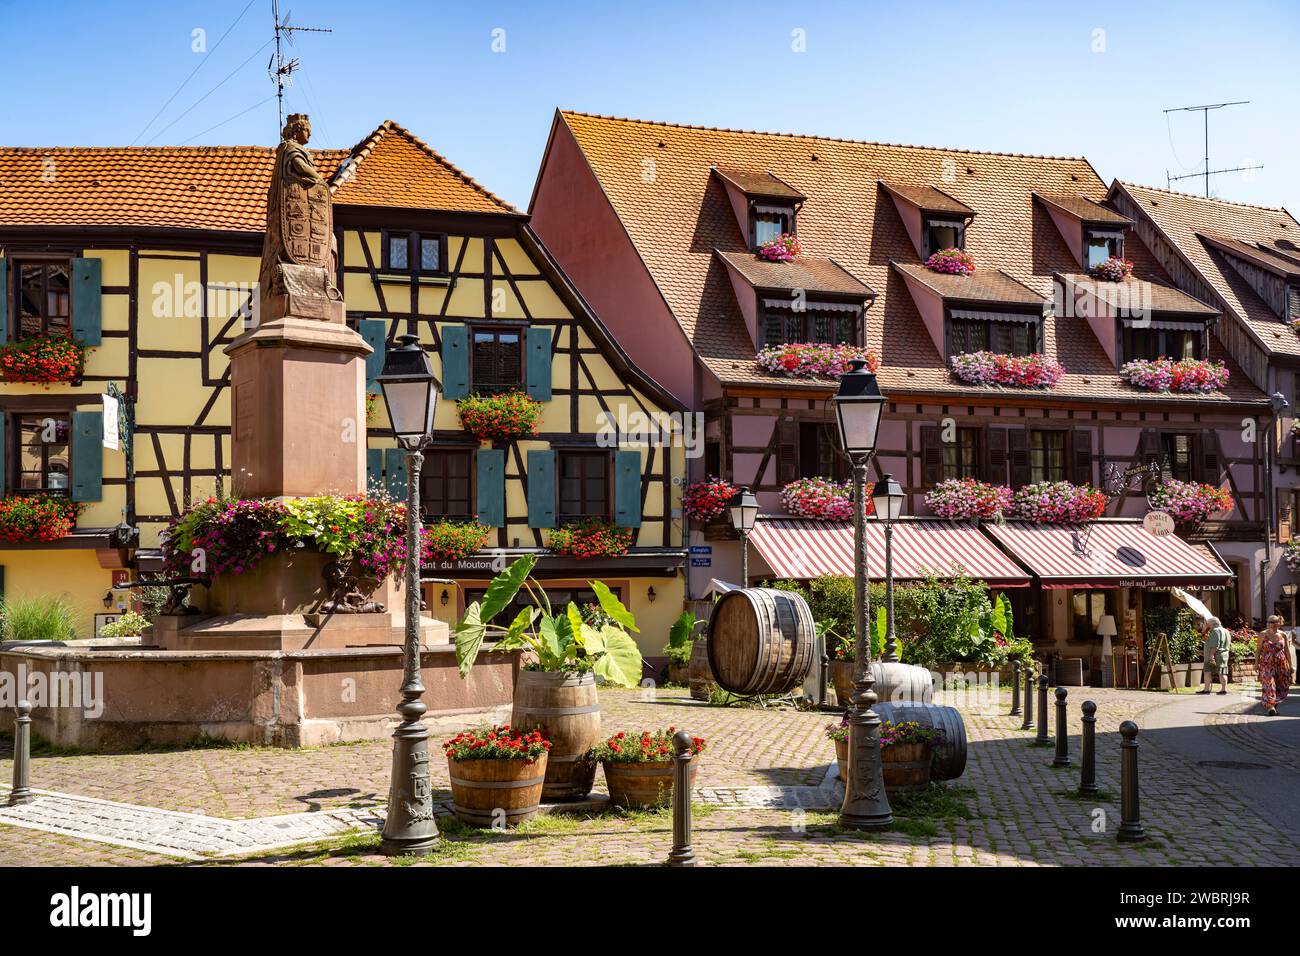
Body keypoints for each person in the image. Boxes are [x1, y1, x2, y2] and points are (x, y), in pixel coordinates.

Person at [1256, 616, 1292, 716]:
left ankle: (1274, 707)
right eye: (1268, 622)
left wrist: (1291, 665)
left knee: (1280, 685)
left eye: (1271, 622)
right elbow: (1258, 650)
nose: (1269, 623)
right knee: (1269, 685)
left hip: (1281, 663)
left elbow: (1287, 651)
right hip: (1266, 664)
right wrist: (1256, 664)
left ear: (1278, 623)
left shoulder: (1283, 634)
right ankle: (1270, 707)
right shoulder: (1262, 634)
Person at [1197, 616, 1230, 696]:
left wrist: (1211, 656)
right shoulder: (1226, 631)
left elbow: (1215, 645)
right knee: (1222, 672)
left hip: (1214, 655)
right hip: (1224, 654)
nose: (1208, 626)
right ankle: (1223, 689)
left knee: (1207, 671)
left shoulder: (1215, 631)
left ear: (1212, 624)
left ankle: (1206, 689)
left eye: (1208, 624)